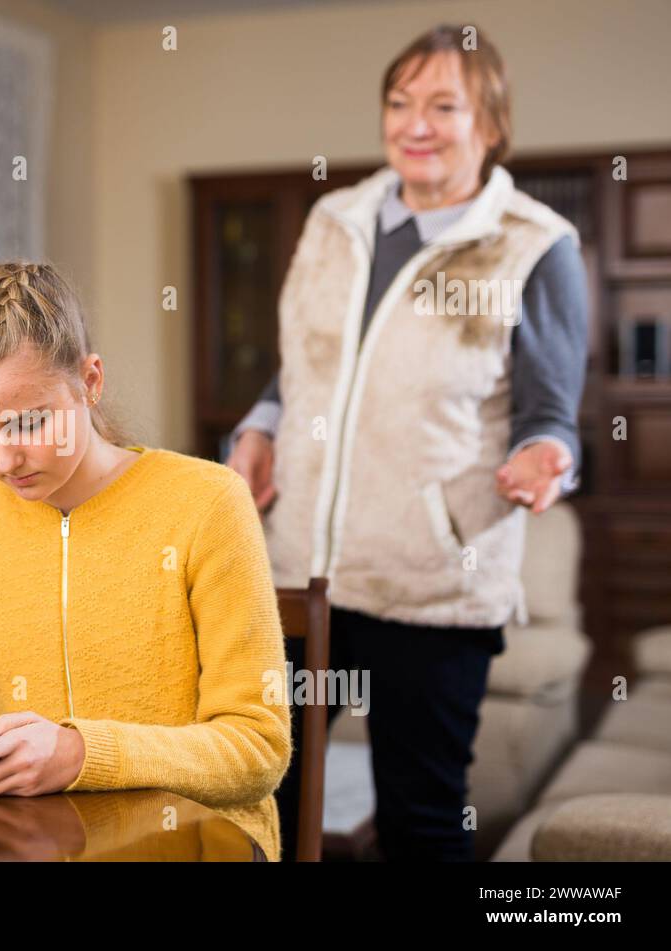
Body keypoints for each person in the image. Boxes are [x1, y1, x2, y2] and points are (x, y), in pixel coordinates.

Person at [225, 25, 587, 860]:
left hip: (431, 591)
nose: (415, 123)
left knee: (422, 820)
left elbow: (549, 414)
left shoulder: (536, 246)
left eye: (443, 106)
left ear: (491, 122)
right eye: (399, 103)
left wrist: (546, 457)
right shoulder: (334, 218)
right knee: (255, 796)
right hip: (294, 576)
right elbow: (307, 367)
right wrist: (261, 428)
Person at [0, 261, 291, 860]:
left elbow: (257, 748)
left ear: (90, 380)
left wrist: (80, 754)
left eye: (30, 423)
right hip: (35, 842)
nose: (5, 460)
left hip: (197, 841)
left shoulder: (208, 501)